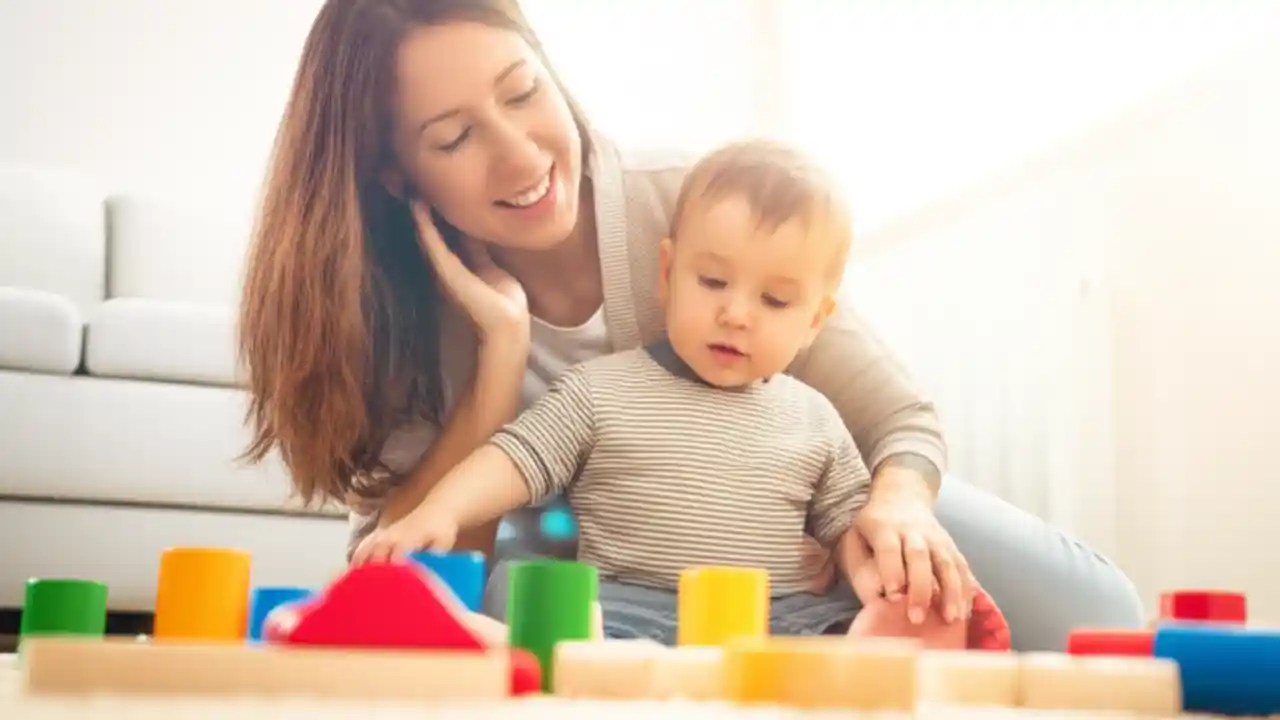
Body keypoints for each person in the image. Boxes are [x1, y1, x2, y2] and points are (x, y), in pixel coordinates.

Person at [237, 0, 1145, 651]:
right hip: (597, 576)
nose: (518, 155)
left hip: (785, 533)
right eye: (453, 138)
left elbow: (894, 415)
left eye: (522, 94)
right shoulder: (395, 312)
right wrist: (498, 356)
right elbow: (416, 576)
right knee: (517, 609)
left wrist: (892, 505)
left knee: (1093, 615)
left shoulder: (689, 204)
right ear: (397, 177)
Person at [353, 139, 905, 642]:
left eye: (776, 302)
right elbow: (513, 460)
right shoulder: (600, 389)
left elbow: (850, 524)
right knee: (538, 615)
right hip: (625, 616)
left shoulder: (815, 418)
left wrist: (878, 584)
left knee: (843, 631)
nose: (736, 314)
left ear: (814, 321)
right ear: (667, 274)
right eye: (712, 282)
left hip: (775, 620)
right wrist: (441, 512)